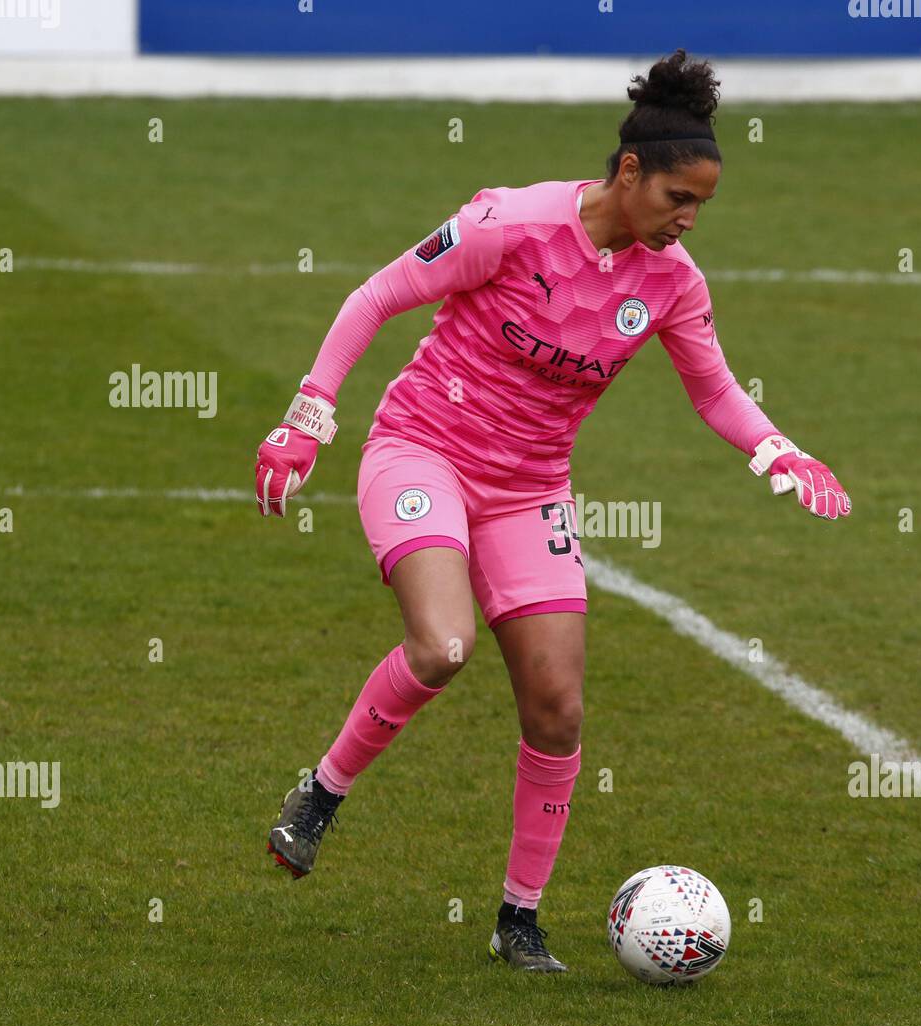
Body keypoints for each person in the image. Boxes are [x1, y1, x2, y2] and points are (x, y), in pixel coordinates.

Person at [254, 48, 851, 974]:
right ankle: (323, 793)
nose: (688, 220)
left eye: (701, 206)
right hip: (423, 450)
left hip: (529, 487)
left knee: (559, 709)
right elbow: (376, 295)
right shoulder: (510, 223)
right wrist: (308, 413)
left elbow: (715, 390)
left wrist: (778, 449)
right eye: (677, 200)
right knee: (443, 646)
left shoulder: (672, 283)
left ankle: (517, 921)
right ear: (628, 172)